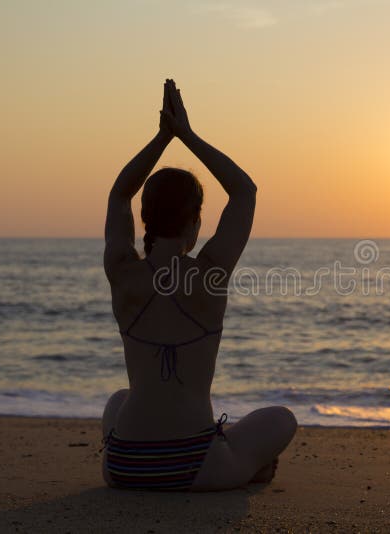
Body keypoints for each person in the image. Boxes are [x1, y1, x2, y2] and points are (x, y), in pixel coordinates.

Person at [101, 79, 297, 491]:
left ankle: (237, 463)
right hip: (192, 465)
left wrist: (161, 139)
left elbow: (119, 193)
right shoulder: (210, 274)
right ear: (194, 222)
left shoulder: (122, 270)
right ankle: (243, 468)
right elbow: (244, 191)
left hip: (123, 466)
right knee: (282, 419)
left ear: (145, 220)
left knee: (120, 399)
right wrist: (186, 135)